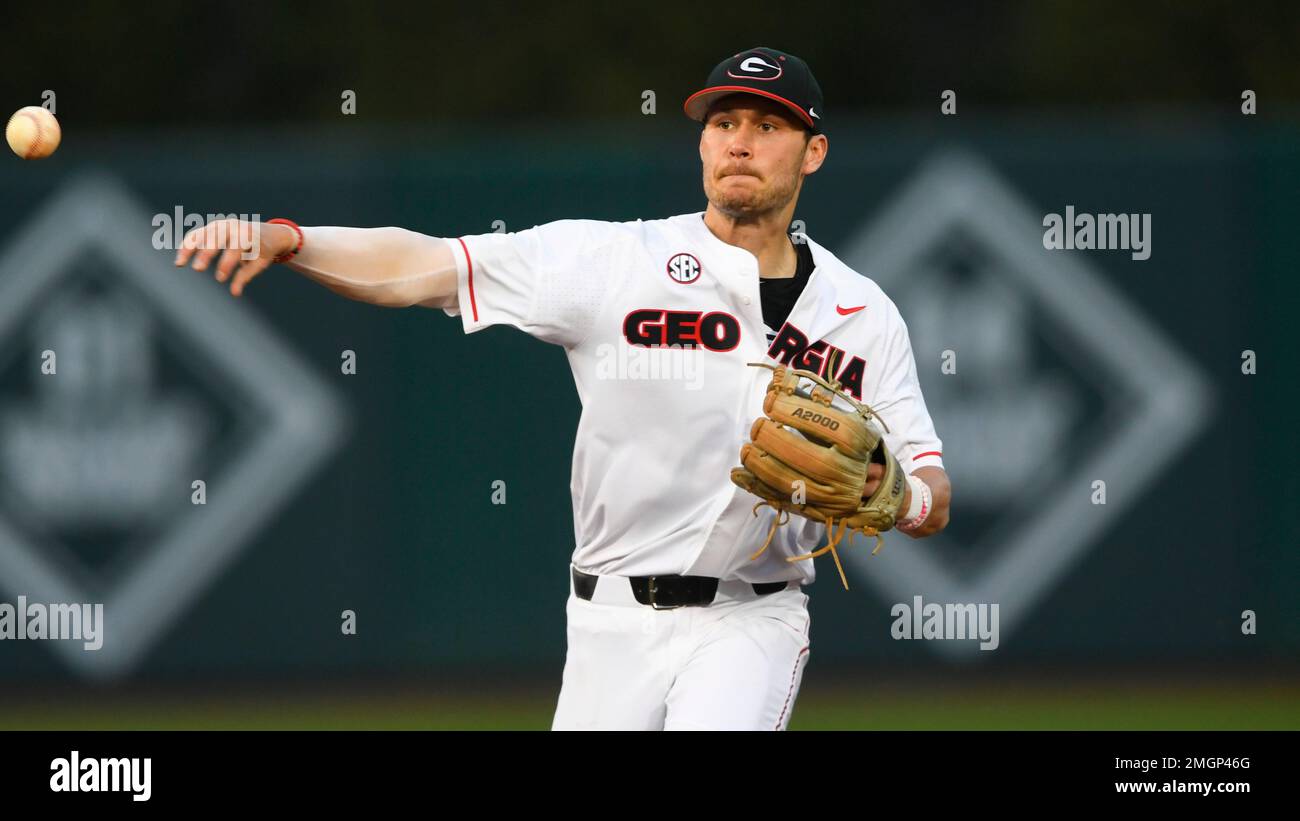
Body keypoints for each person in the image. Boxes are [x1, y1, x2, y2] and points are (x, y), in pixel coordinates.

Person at [176, 46, 951, 731]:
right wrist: (291, 240)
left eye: (766, 125)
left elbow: (930, 489)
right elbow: (424, 266)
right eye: (722, 123)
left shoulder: (860, 312)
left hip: (753, 617)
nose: (738, 141)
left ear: (812, 151)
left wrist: (894, 492)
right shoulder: (616, 261)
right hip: (608, 616)